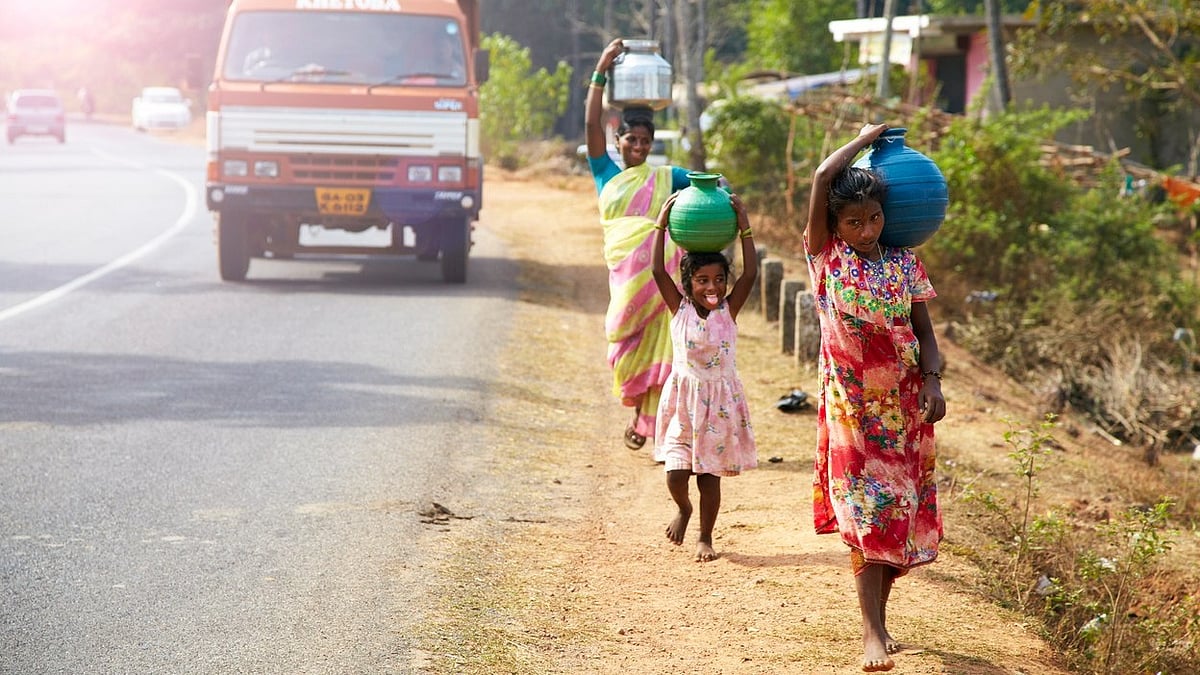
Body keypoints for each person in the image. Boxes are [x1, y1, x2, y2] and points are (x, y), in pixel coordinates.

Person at [803, 123, 947, 672]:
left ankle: (882, 623)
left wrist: (933, 381)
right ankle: (870, 632)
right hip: (850, 407)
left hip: (904, 406)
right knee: (866, 513)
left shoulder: (904, 262)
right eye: (854, 221)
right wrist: (866, 140)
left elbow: (924, 331)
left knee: (897, 512)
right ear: (836, 224)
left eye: (875, 218)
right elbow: (821, 175)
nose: (867, 230)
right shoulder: (826, 258)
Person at [586, 38, 694, 450]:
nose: (638, 147)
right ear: (619, 142)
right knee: (624, 341)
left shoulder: (667, 176)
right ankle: (645, 417)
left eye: (645, 142)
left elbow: (710, 185)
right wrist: (601, 69)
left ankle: (653, 425)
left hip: (661, 272)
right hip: (628, 276)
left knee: (662, 342)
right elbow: (592, 125)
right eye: (632, 141)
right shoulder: (604, 172)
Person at [649, 192, 758, 562]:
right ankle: (683, 508)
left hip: (719, 408)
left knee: (709, 479)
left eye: (718, 279)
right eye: (702, 280)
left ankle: (705, 537)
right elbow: (656, 271)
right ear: (687, 284)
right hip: (684, 404)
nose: (712, 288)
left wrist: (744, 224)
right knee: (676, 476)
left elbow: (752, 273)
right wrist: (662, 224)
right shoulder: (678, 309)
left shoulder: (730, 310)